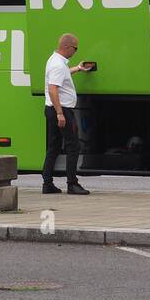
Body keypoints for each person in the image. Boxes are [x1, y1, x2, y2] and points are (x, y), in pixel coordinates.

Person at [42, 32, 89, 195]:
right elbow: (53, 88)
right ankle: (72, 184)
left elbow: (61, 76)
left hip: (52, 109)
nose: (75, 51)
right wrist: (60, 113)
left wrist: (77, 68)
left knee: (53, 147)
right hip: (61, 110)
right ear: (67, 47)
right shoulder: (57, 64)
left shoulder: (56, 61)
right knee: (73, 146)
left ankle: (47, 184)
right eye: (75, 48)